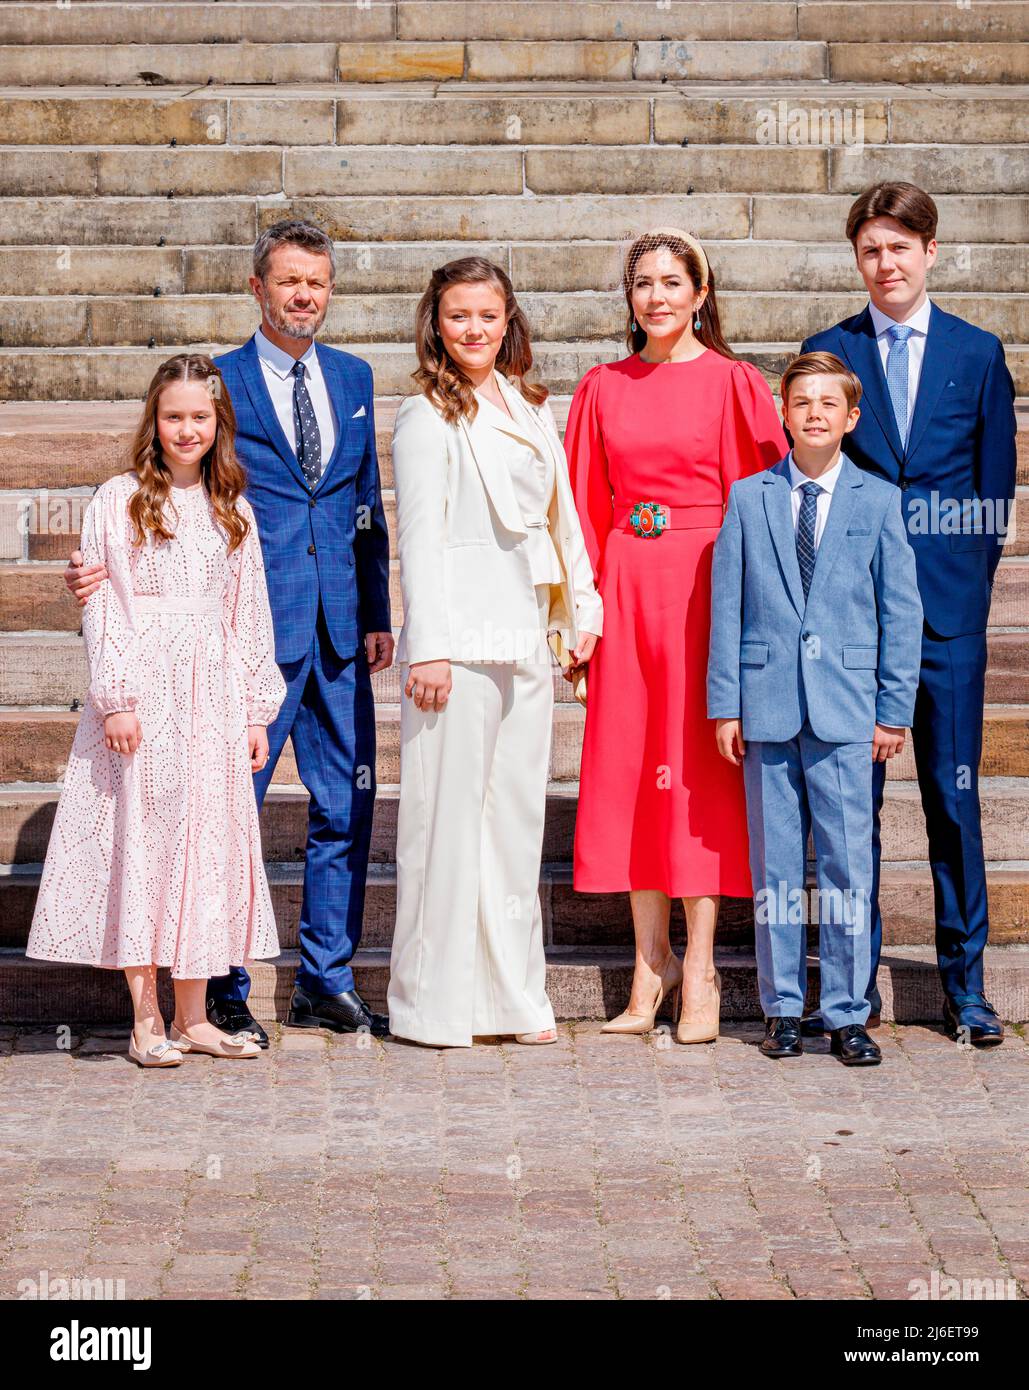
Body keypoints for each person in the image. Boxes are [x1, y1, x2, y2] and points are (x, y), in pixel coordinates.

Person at [64, 220, 393, 1043]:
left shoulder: (354, 376)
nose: (303, 295)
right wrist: (96, 576)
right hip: (239, 637)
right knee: (222, 814)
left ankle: (327, 975)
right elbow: (167, 500)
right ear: (259, 287)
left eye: (315, 281)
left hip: (339, 632)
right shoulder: (221, 380)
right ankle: (220, 988)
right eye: (288, 281)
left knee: (342, 809)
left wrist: (378, 612)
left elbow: (365, 510)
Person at [802, 183, 1017, 1046]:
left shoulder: (977, 351)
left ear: (930, 252)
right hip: (854, 626)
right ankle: (850, 990)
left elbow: (991, 492)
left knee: (952, 804)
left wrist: (958, 591)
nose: (884, 264)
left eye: (898, 248)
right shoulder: (830, 349)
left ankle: (965, 987)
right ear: (856, 260)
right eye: (869, 251)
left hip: (945, 624)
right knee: (850, 812)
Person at [28, 355, 286, 1065]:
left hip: (213, 695)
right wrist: (116, 697)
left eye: (199, 417)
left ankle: (194, 1015)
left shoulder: (233, 507)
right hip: (143, 687)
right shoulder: (119, 498)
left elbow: (249, 614)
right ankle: (145, 1018)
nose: (186, 429)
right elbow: (105, 604)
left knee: (202, 842)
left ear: (217, 424)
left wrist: (256, 711)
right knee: (144, 839)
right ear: (154, 420)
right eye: (173, 416)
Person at [565, 227, 786, 1043]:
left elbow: (763, 503)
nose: (655, 297)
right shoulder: (600, 386)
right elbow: (581, 509)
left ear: (700, 292)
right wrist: (577, 621)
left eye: (670, 282)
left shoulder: (734, 384)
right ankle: (645, 968)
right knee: (629, 769)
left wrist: (754, 623)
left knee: (695, 778)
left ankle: (700, 974)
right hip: (625, 586)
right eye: (641, 284)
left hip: (704, 588)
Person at [386, 257, 603, 1047]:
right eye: (457, 316)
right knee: (443, 830)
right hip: (456, 650)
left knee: (511, 830)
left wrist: (581, 612)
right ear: (435, 324)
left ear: (508, 319)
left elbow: (562, 520)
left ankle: (511, 1000)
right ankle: (432, 1006)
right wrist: (429, 648)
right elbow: (419, 540)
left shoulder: (530, 405)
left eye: (487, 314)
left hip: (524, 640)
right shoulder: (423, 415)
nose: (473, 329)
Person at [709, 352, 924, 1065]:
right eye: (800, 401)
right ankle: (780, 1010)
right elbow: (727, 608)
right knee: (774, 868)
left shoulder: (877, 500)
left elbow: (901, 612)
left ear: (850, 418)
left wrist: (891, 711)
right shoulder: (749, 498)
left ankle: (845, 1011)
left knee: (844, 866)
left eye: (828, 404)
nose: (813, 414)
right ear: (782, 410)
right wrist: (724, 705)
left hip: (845, 712)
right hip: (767, 708)